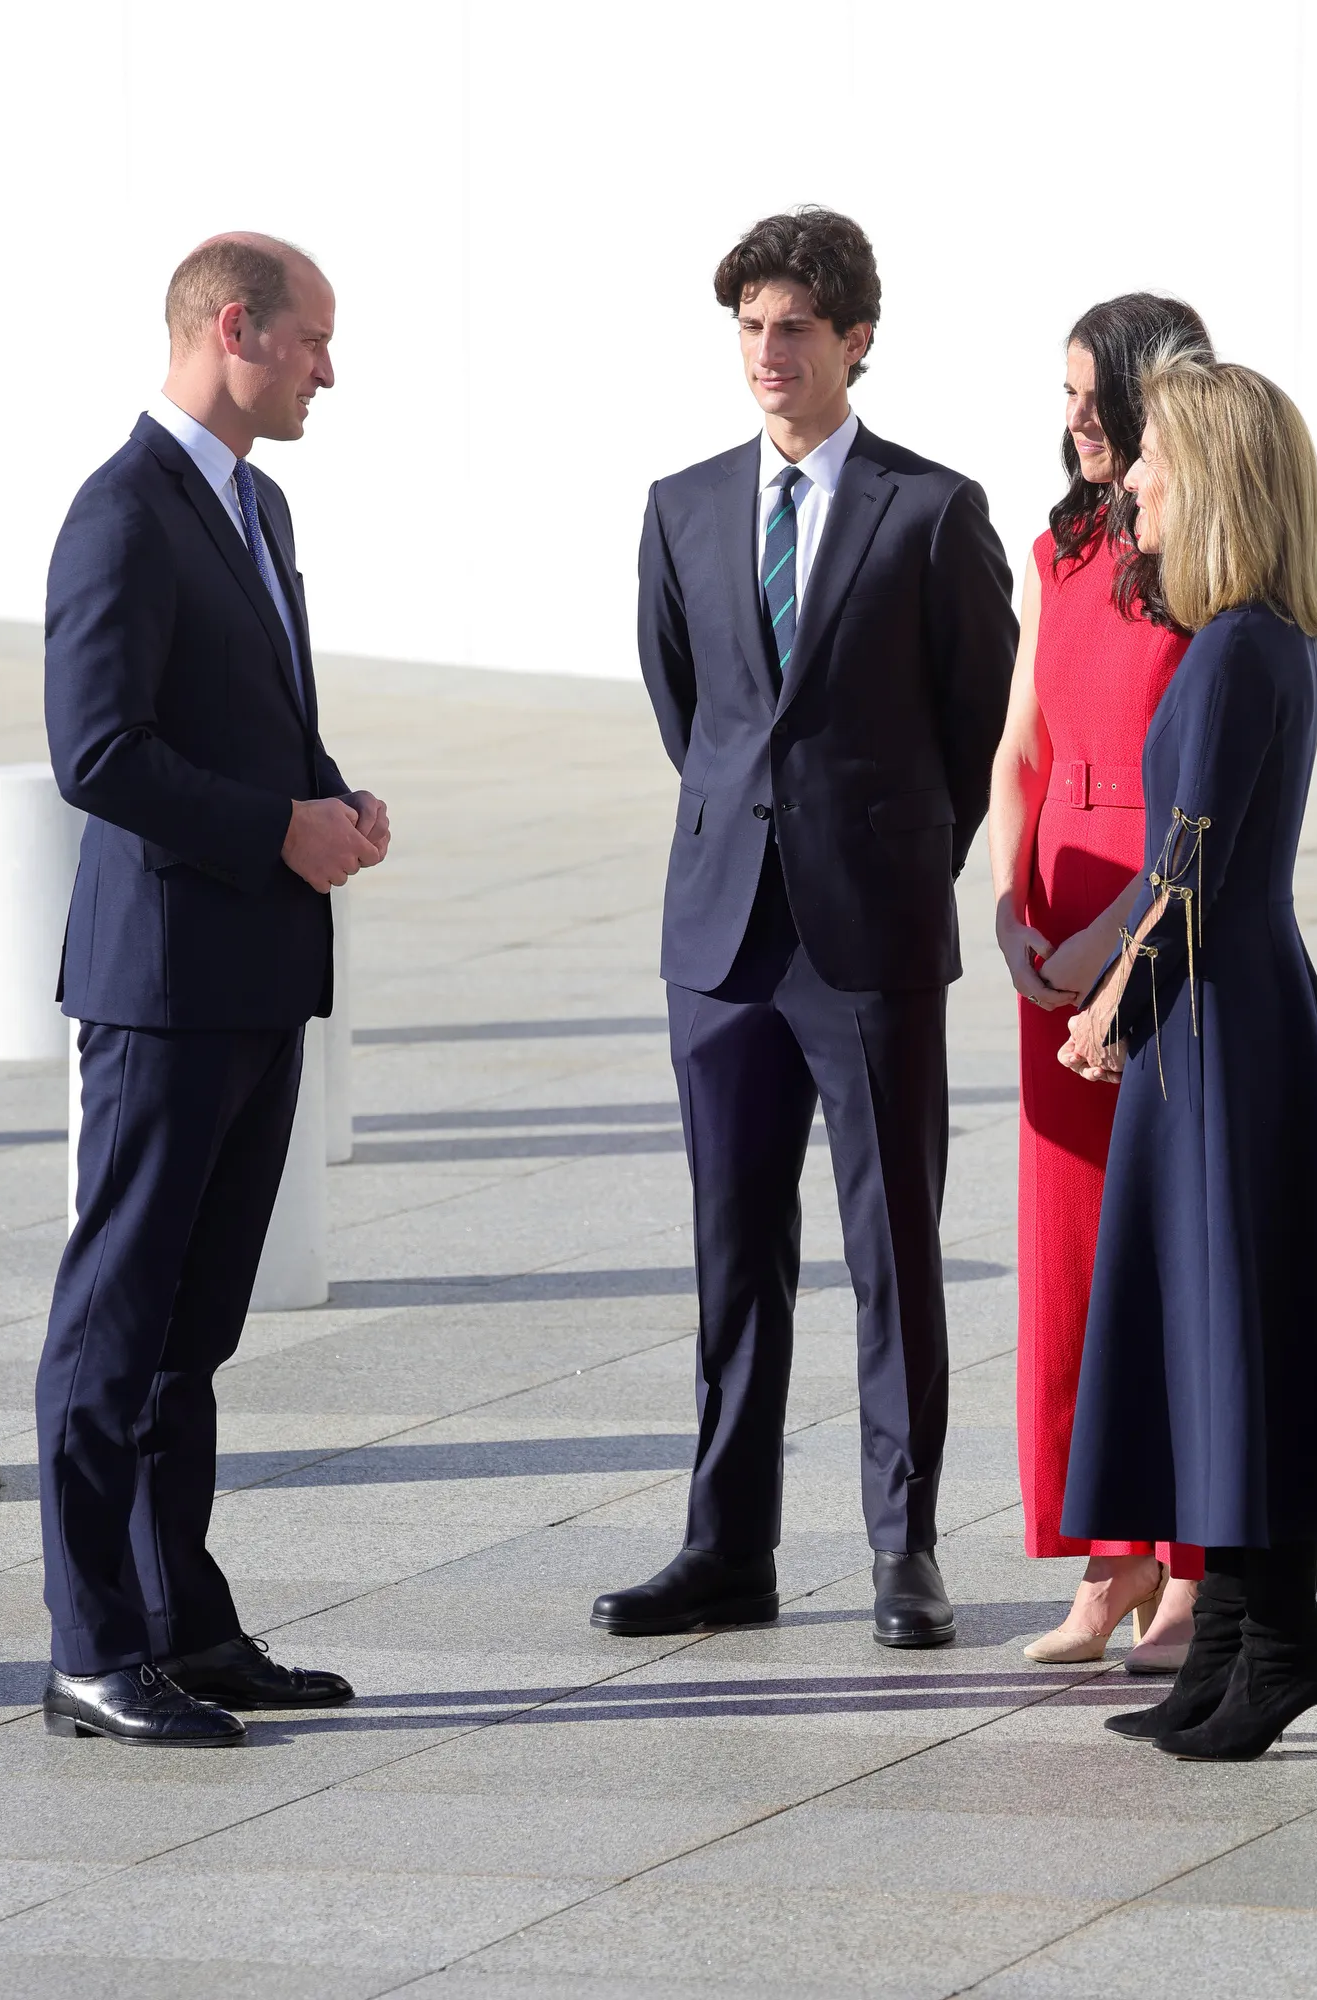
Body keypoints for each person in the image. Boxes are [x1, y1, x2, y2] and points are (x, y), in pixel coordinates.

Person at [592, 207, 1019, 1648]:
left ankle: (906, 1552)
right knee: (734, 1255)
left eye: (794, 330)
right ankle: (728, 1551)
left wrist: (894, 860)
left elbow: (973, 732)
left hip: (869, 938)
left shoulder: (933, 510)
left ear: (856, 343)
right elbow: (692, 713)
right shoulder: (682, 504)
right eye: (750, 329)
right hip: (721, 947)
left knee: (894, 1248)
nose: (767, 354)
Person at [38, 234, 391, 1746]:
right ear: (232, 328)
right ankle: (88, 1647)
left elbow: (251, 716)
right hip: (164, 982)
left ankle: (184, 1620)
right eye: (310, 339)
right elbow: (97, 752)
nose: (328, 368)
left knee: (197, 1330)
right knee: (115, 1324)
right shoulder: (120, 514)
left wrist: (328, 798)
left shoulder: (258, 503)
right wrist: (275, 829)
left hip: (254, 972)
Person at [1058, 352, 1317, 1759]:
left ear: (1200, 477)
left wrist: (1112, 1011)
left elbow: (1187, 873)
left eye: (1149, 460)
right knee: (1222, 1328)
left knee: (1234, 1326)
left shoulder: (1232, 653)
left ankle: (1276, 1647)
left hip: (1216, 1023)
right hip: (1233, 1016)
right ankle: (1239, 1645)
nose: (1129, 478)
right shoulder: (1263, 644)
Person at [987, 296, 1211, 1673]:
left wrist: (1111, 949)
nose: (1075, 419)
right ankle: (1105, 1556)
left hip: (1157, 919)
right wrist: (1010, 901)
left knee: (1168, 1251)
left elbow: (1197, 794)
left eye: (1096, 396)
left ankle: (1192, 1567)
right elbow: (1021, 736)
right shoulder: (1060, 547)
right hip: (1054, 908)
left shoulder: (1200, 554)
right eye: (1064, 394)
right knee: (1068, 1257)